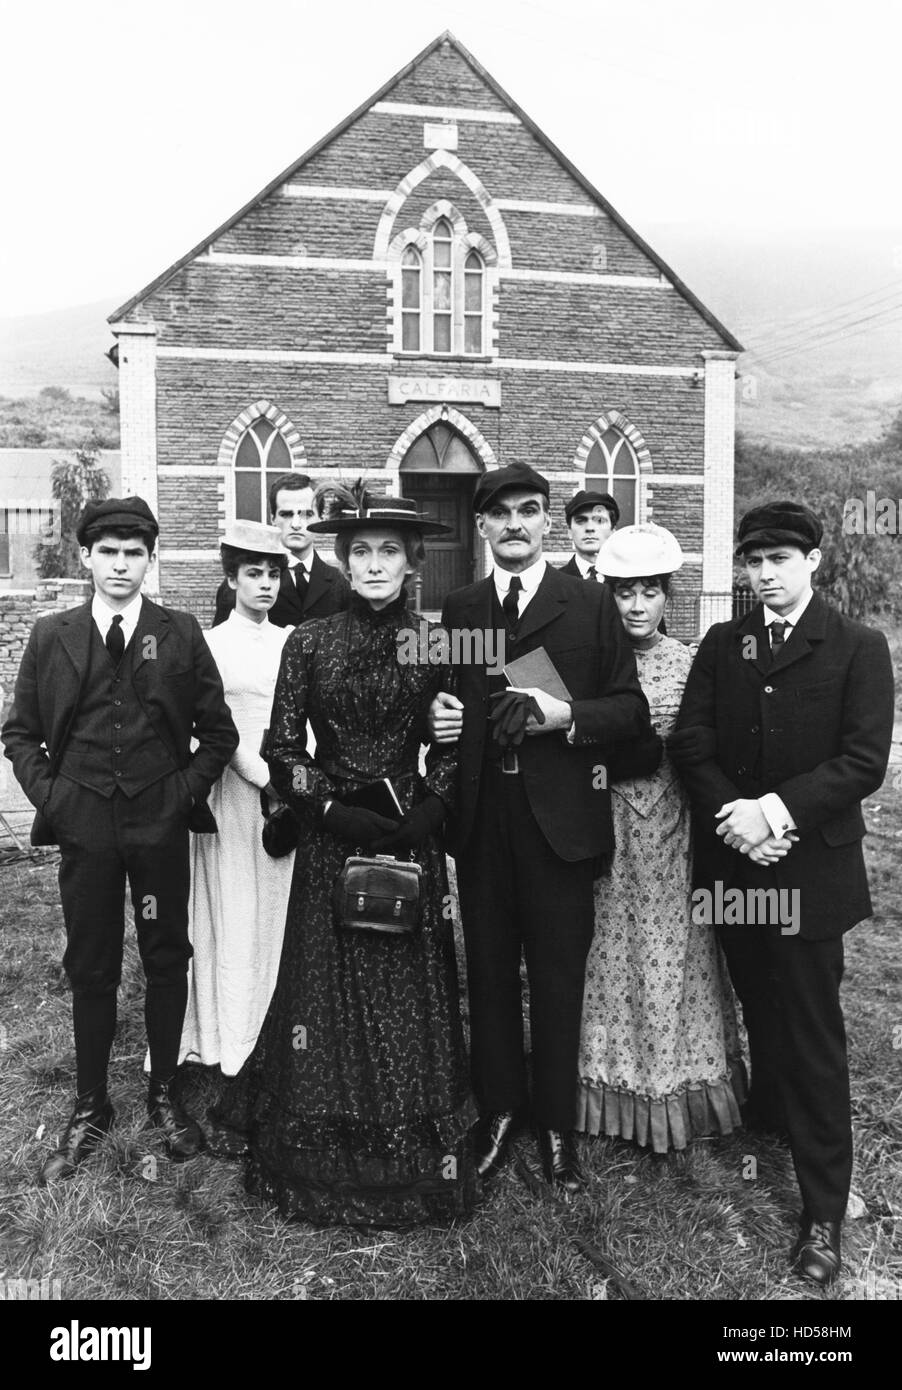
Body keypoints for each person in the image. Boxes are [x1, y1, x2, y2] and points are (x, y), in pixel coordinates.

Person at [209, 484, 476, 1227]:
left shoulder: (434, 641)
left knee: (403, 981)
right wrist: (328, 808)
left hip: (407, 837)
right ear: (341, 560)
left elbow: (455, 742)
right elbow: (282, 750)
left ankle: (407, 1122)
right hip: (333, 843)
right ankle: (323, 1116)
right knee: (326, 991)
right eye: (361, 551)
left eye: (390, 550)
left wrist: (429, 805)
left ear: (414, 559)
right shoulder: (311, 640)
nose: (375, 563)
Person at [671, 500, 894, 1285]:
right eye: (752, 561)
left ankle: (824, 1210)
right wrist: (734, 816)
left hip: (808, 875)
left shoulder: (858, 648)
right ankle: (770, 1123)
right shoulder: (723, 644)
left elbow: (864, 761)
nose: (763, 575)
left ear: (814, 561)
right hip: (736, 864)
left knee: (809, 1030)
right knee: (755, 994)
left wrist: (777, 811)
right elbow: (689, 740)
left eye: (779, 560)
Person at [430, 464, 656, 1192]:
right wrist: (442, 722)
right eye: (502, 514)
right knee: (490, 975)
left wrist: (565, 715)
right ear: (484, 528)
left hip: (562, 824)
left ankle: (557, 1122)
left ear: (548, 522)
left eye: (531, 510)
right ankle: (500, 1110)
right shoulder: (460, 609)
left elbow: (631, 712)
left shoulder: (588, 605)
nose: (517, 524)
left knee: (559, 979)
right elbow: (445, 706)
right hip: (483, 822)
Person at [2, 497, 238, 1184]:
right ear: (86, 557)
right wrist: (55, 799)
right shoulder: (54, 634)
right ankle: (90, 1105)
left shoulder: (179, 632)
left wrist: (180, 794)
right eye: (108, 551)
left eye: (134, 553)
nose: (121, 565)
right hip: (87, 829)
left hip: (157, 824)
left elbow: (217, 734)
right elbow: (19, 733)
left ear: (149, 559)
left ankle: (164, 1095)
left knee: (167, 952)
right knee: (93, 960)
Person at [575, 523, 745, 1152]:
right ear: (608, 596)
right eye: (625, 594)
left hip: (673, 832)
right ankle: (603, 1088)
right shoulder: (588, 662)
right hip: (603, 828)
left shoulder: (692, 663)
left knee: (671, 951)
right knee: (602, 953)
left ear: (667, 596)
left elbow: (707, 748)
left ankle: (679, 1084)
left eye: (650, 592)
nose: (638, 606)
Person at [179, 520, 295, 1076]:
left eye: (274, 573)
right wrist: (264, 778)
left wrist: (294, 779)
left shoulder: (293, 639)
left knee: (278, 909)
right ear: (232, 578)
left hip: (288, 791)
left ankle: (277, 1036)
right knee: (236, 906)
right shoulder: (211, 645)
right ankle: (231, 1038)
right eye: (254, 574)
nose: (266, 584)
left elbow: (305, 717)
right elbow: (210, 726)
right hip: (236, 786)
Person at [212, 473, 350, 628]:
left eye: (307, 514)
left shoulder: (340, 583)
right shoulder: (244, 583)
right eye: (286, 514)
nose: (296, 524)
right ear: (273, 518)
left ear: (320, 518)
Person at [559, 490, 619, 581]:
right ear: (569, 531)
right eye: (580, 521)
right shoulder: (554, 582)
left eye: (599, 521)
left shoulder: (627, 578)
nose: (589, 528)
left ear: (613, 531)